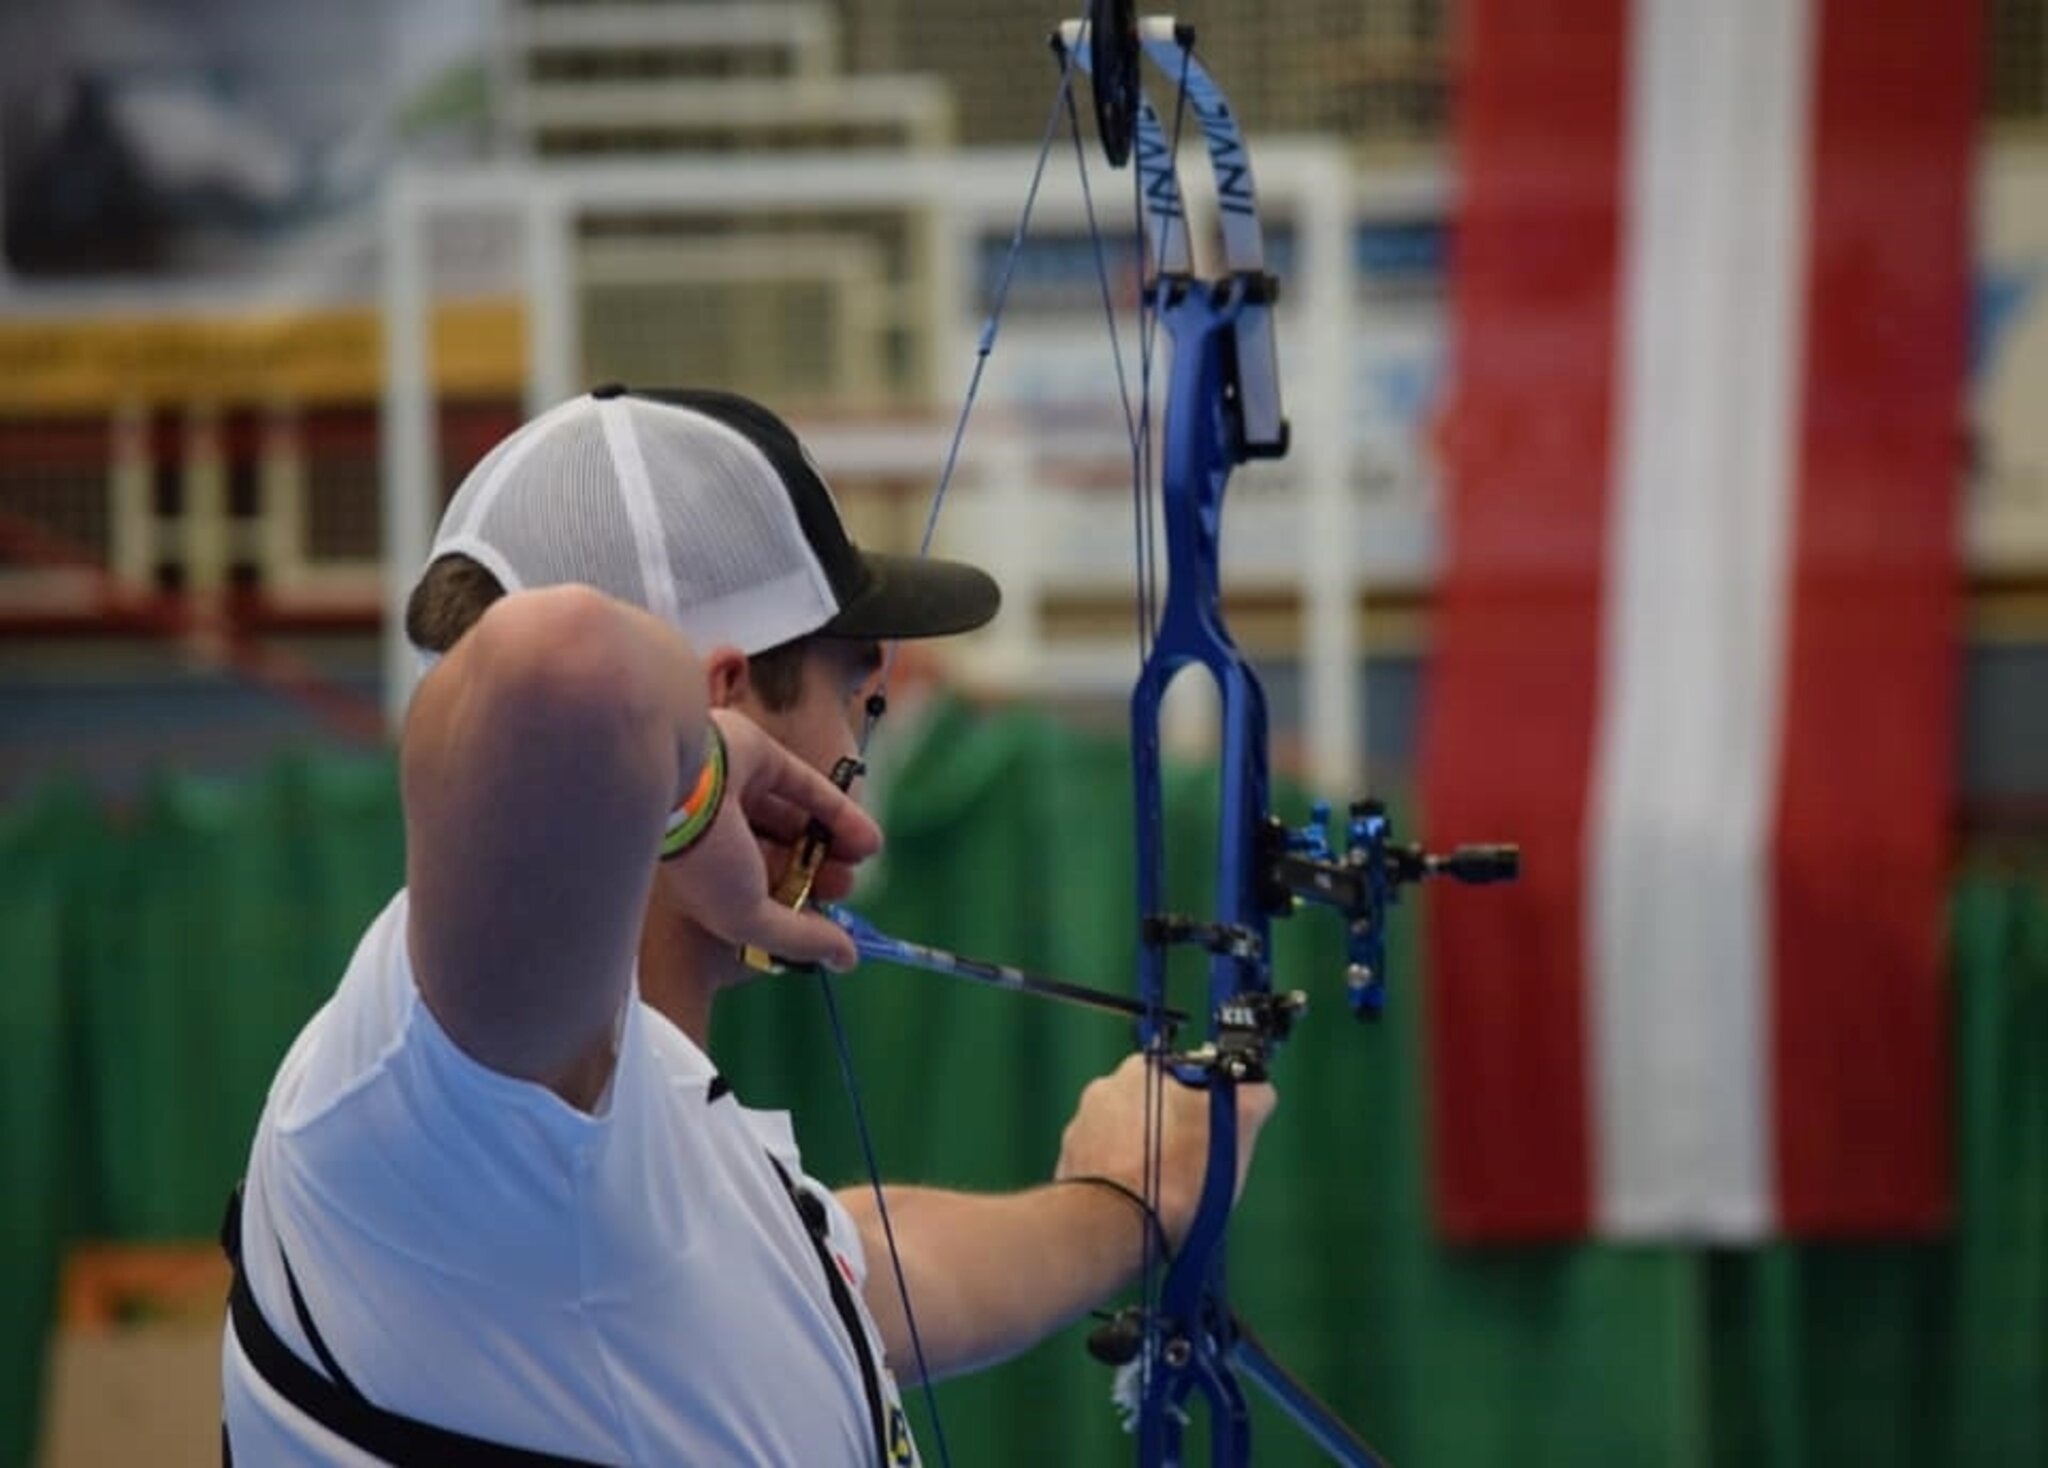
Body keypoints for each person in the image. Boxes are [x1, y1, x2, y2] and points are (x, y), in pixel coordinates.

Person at [219, 384, 1277, 1465]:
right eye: (856, 699)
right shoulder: (458, 1083)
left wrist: (1129, 1203)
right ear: (719, 693)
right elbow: (561, 665)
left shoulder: (619, 1140)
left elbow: (854, 1265)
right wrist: (695, 783)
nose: (859, 761)